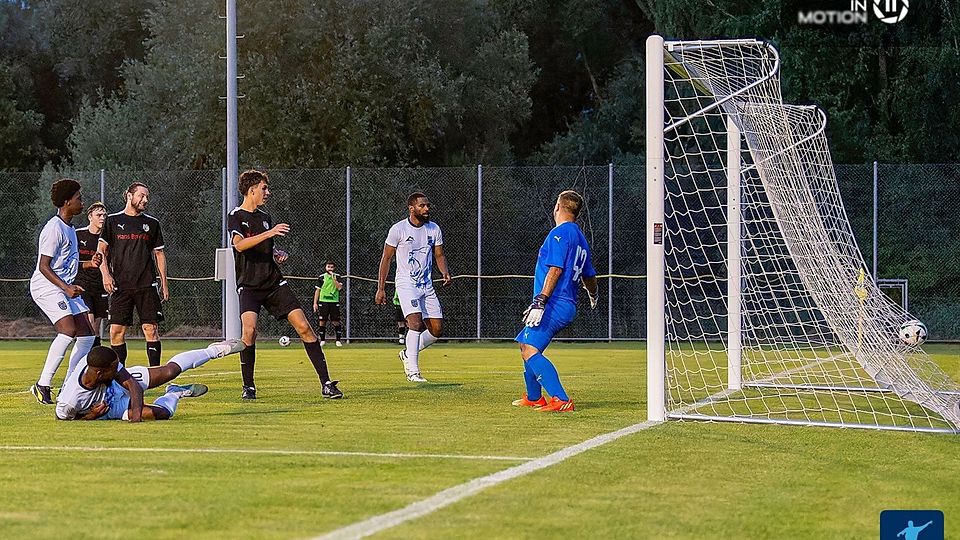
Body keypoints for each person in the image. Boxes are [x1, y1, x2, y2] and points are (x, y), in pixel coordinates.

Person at [227, 169, 342, 400]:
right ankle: (248, 387)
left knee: (304, 327)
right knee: (249, 331)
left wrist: (276, 253)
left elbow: (264, 247)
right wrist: (269, 234)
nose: (267, 192)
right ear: (252, 190)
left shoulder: (265, 217)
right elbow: (239, 245)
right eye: (264, 188)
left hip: (274, 283)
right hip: (249, 285)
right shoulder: (236, 215)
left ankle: (326, 384)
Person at [513, 190, 598, 413]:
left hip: (553, 302)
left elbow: (556, 269)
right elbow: (589, 276)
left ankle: (561, 399)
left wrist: (540, 300)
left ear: (557, 207)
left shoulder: (559, 233)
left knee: (530, 349)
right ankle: (534, 397)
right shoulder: (581, 239)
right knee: (526, 345)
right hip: (566, 304)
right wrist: (593, 294)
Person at [28, 179, 100, 404]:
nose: (82, 202)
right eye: (79, 198)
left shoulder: (69, 229)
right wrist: (66, 287)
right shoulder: (54, 228)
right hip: (46, 287)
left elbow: (68, 263)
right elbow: (44, 266)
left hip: (63, 287)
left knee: (87, 335)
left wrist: (89, 264)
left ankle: (69, 385)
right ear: (67, 202)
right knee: (68, 330)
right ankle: (42, 385)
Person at [55, 339, 245, 421]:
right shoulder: (69, 401)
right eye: (115, 367)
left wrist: (136, 419)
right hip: (109, 409)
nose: (119, 368)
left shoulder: (99, 363)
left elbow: (132, 385)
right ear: (99, 373)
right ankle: (174, 393)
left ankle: (215, 350)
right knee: (163, 414)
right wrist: (91, 416)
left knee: (169, 371)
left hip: (117, 386)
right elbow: (64, 419)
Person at [375, 192, 452, 382]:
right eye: (422, 206)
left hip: (427, 285)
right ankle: (413, 371)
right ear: (411, 208)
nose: (426, 209)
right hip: (406, 284)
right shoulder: (398, 229)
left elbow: (439, 255)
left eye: (428, 205)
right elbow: (386, 258)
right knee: (415, 323)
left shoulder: (434, 229)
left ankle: (407, 353)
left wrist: (444, 272)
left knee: (436, 330)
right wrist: (381, 288)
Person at [97, 182, 169, 367]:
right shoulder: (112, 221)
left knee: (150, 329)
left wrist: (164, 282)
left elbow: (159, 254)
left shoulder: (152, 223)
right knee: (116, 331)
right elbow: (101, 251)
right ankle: (119, 373)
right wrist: (106, 275)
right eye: (141, 196)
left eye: (147, 197)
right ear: (129, 196)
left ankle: (155, 373)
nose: (145, 200)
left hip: (146, 285)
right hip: (120, 286)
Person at [75, 202, 108, 347]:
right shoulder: (78, 235)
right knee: (89, 321)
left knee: (96, 326)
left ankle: (95, 355)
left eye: (104, 215)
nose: (102, 218)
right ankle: (83, 356)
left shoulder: (106, 239)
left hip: (100, 286)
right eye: (99, 215)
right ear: (90, 217)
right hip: (82, 285)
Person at [312, 261, 343, 347]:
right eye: (328, 267)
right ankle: (322, 340)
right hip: (323, 302)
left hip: (334, 302)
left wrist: (334, 279)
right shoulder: (322, 277)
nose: (330, 269)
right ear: (325, 267)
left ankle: (338, 340)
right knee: (322, 321)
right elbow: (317, 290)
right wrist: (315, 303)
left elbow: (339, 288)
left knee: (336, 321)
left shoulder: (338, 277)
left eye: (332, 267)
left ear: (334, 268)